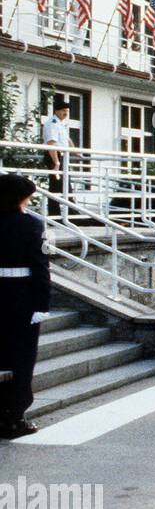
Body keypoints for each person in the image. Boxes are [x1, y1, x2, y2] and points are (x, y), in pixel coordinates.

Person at [0, 174, 52, 439]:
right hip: (21, 297)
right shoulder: (31, 223)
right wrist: (42, 303)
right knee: (21, 358)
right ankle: (14, 416)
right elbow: (40, 266)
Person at [42, 100, 71, 196]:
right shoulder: (52, 123)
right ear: (56, 111)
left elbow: (68, 140)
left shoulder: (60, 123)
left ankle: (58, 210)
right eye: (63, 110)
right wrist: (56, 162)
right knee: (60, 185)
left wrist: (78, 153)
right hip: (54, 156)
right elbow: (51, 143)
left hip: (61, 156)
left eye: (67, 111)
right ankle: (70, 210)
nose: (66, 113)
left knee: (59, 185)